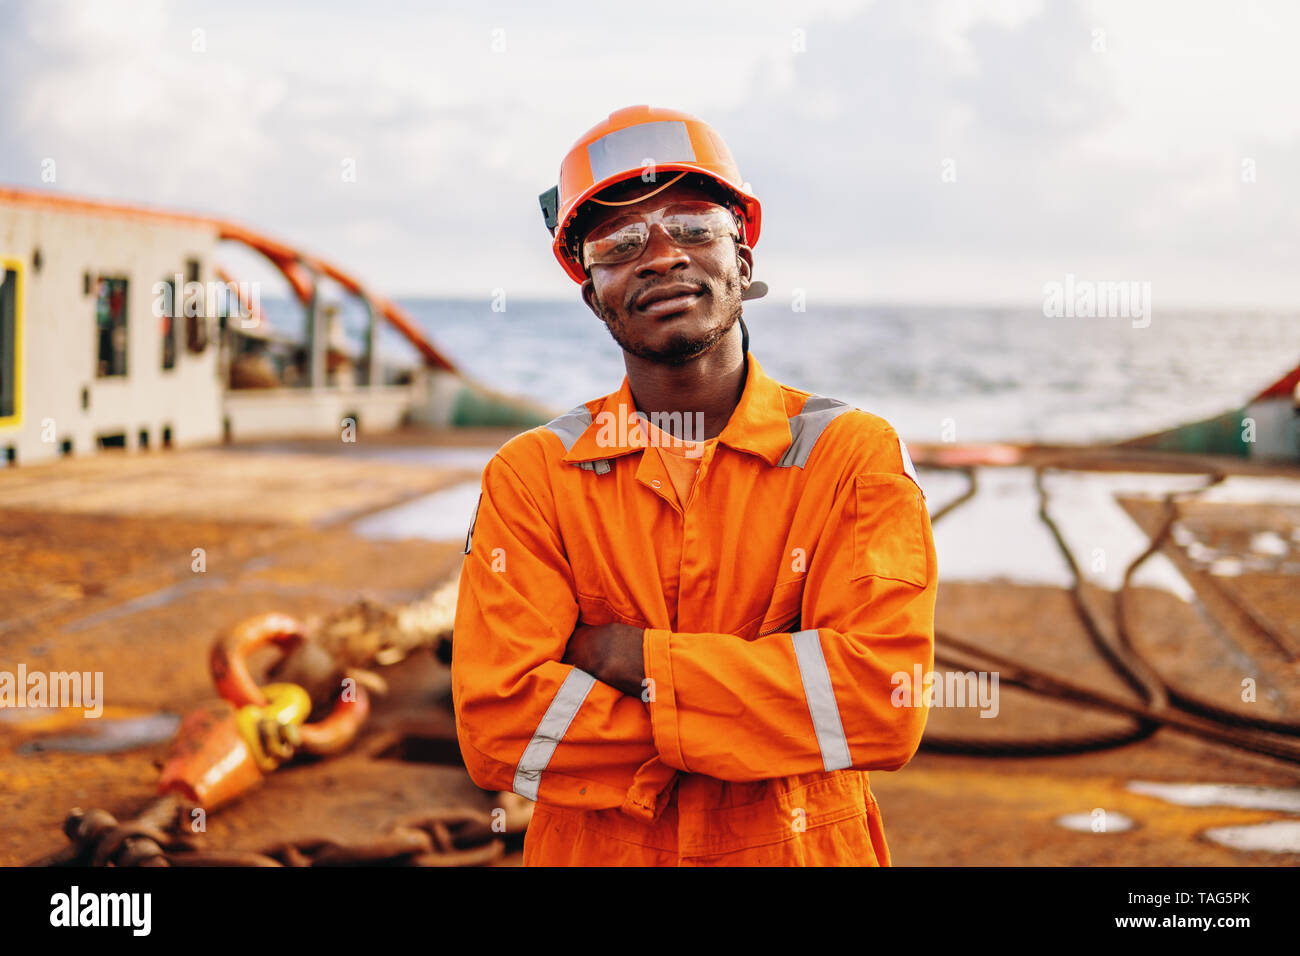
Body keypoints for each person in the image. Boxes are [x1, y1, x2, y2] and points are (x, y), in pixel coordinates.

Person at [451, 105, 938, 865]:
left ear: (742, 260)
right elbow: (501, 731)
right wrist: (755, 714)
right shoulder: (533, 478)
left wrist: (633, 660)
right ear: (593, 293)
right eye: (618, 243)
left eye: (694, 226)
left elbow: (881, 704)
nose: (660, 256)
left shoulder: (850, 456)